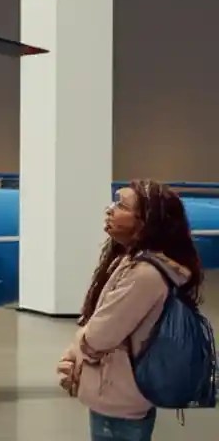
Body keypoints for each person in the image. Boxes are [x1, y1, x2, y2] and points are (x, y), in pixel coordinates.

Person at [56, 179, 204, 441]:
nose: (110, 210)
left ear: (145, 222)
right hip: (116, 393)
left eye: (120, 205)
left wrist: (76, 350)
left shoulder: (144, 275)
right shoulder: (128, 262)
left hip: (119, 399)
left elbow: (99, 336)